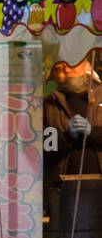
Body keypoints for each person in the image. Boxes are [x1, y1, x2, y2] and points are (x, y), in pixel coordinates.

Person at [43, 58, 102, 187]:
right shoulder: (47, 105)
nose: (66, 68)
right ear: (53, 77)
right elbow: (46, 153)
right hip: (62, 188)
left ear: (87, 65)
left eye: (72, 62)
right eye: (58, 68)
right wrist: (67, 136)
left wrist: (92, 132)